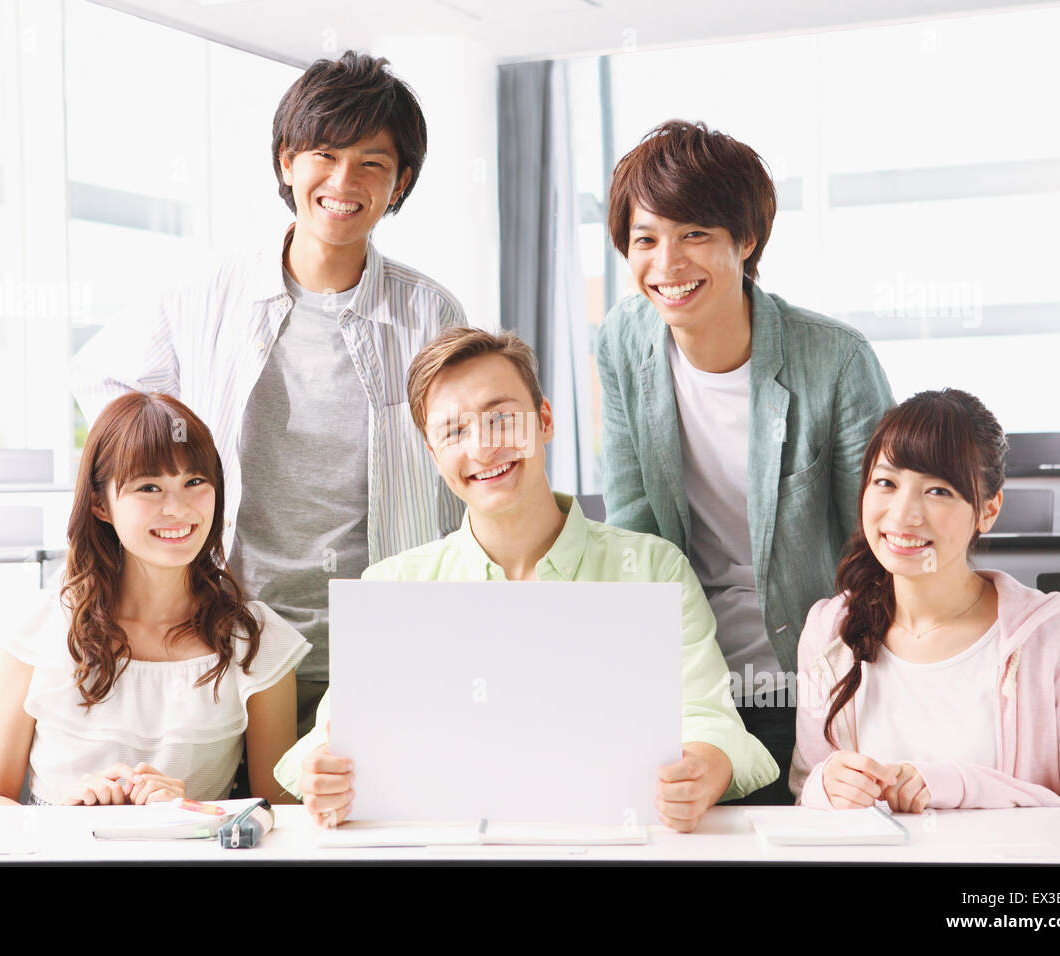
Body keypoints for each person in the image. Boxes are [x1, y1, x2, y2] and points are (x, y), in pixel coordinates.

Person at [70, 51, 467, 740]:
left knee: (374, 836)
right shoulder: (206, 293)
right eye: (324, 153)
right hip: (230, 638)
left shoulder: (429, 314)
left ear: (400, 182)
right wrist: (158, 502)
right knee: (237, 829)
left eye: (373, 163)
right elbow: (104, 383)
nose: (344, 181)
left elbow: (467, 472)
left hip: (383, 652)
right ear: (287, 161)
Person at [273, 327, 778, 832]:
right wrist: (322, 773)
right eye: (454, 431)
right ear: (432, 455)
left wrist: (706, 766)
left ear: (545, 420)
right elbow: (328, 740)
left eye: (502, 418)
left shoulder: (653, 571)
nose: (484, 447)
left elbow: (708, 717)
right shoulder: (391, 588)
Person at [594, 120, 895, 804]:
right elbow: (633, 526)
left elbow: (879, 544)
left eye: (694, 234)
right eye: (645, 240)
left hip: (816, 683)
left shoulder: (836, 361)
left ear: (747, 239)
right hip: (689, 684)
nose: (667, 264)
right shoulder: (620, 340)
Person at [790, 389, 1060, 810]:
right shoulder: (828, 632)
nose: (902, 514)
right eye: (886, 483)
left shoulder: (1051, 642)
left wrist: (961, 786)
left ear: (988, 510)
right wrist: (826, 786)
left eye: (938, 491)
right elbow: (805, 792)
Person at [0, 393, 308, 806]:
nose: (178, 508)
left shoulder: (256, 640)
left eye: (195, 482)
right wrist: (61, 816)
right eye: (149, 487)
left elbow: (281, 818)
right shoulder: (39, 629)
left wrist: (192, 812)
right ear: (100, 504)